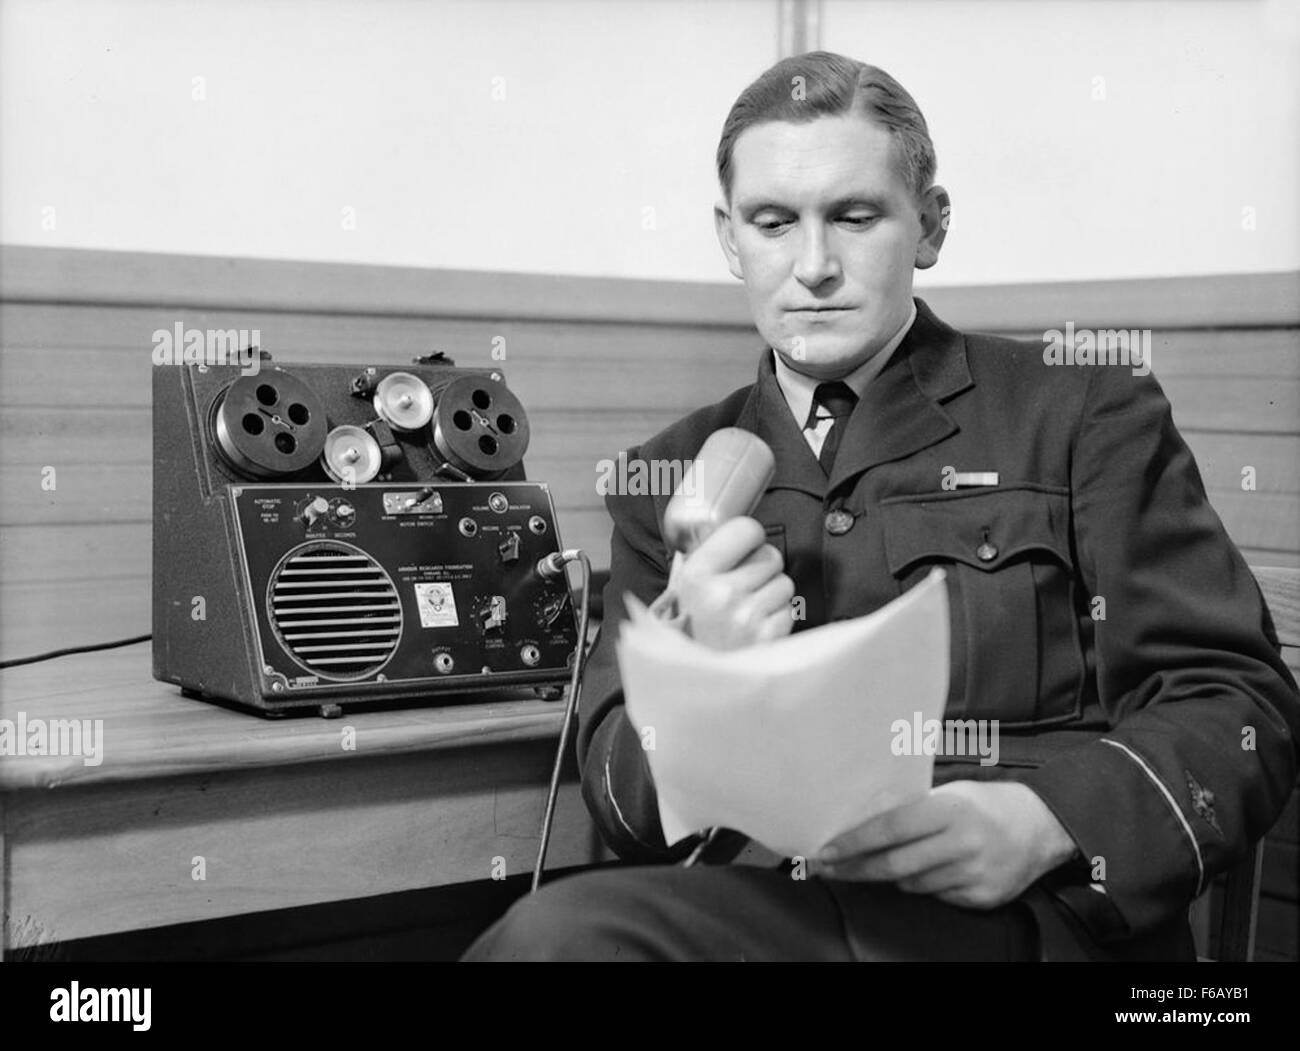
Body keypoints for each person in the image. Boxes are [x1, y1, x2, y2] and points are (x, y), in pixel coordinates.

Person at [464, 51, 1300, 961]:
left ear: (930, 225)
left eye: (854, 217)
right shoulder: (667, 476)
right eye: (773, 222)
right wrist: (696, 675)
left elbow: (1238, 703)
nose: (813, 265)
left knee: (561, 942)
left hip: (1030, 919)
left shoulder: (1080, 410)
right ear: (728, 237)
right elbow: (622, 803)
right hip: (763, 912)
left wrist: (1046, 821)